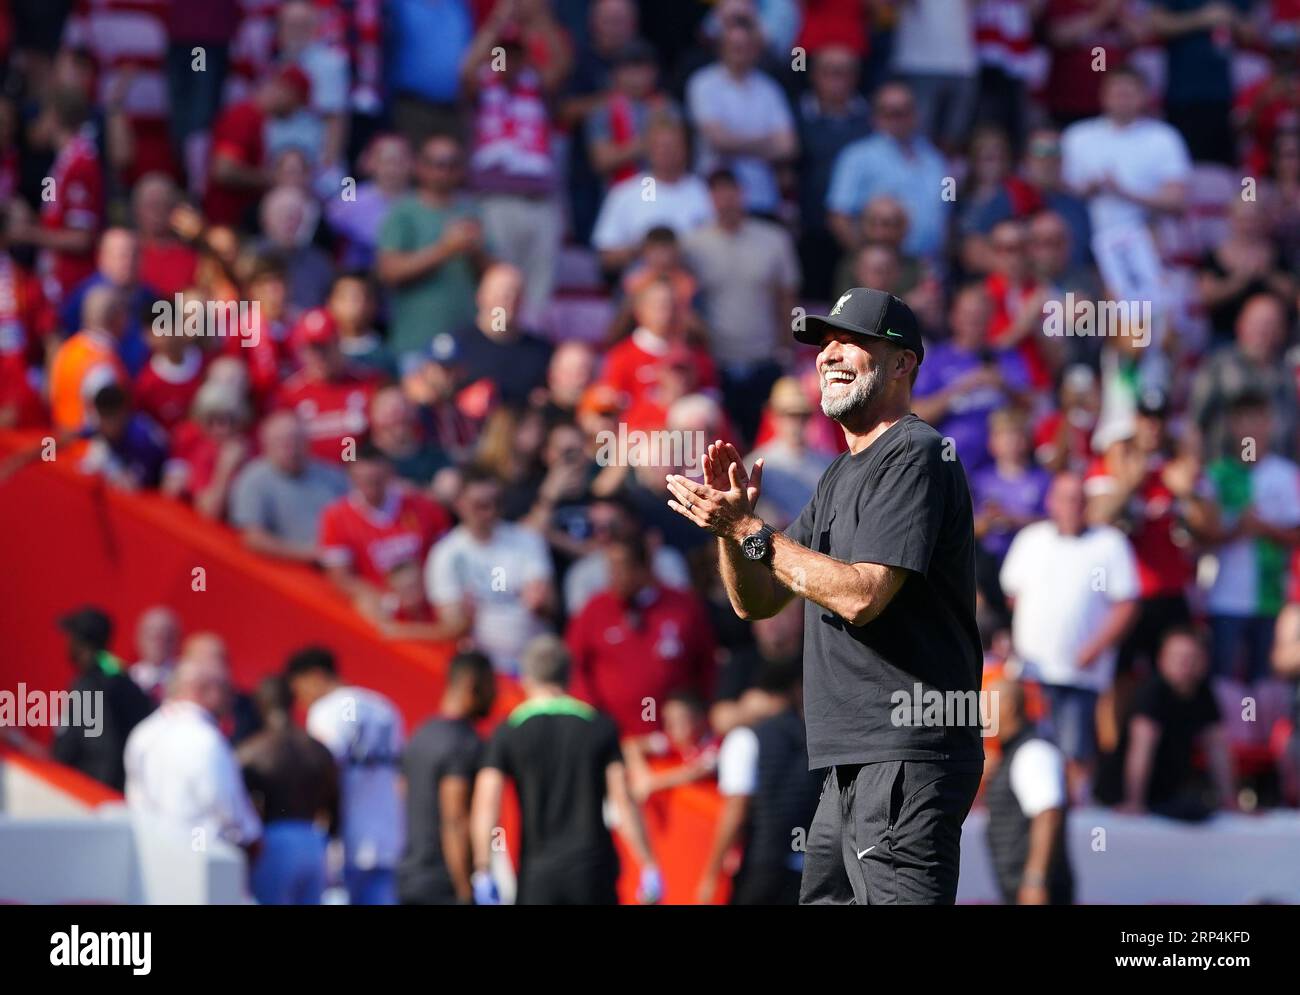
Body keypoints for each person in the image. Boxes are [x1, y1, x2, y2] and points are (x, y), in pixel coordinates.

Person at [664, 287, 985, 905]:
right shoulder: (841, 471)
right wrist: (734, 530)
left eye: (853, 341)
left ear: (902, 364)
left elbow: (862, 595)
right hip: (854, 754)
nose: (830, 354)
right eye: (823, 343)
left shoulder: (915, 454)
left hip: (903, 750)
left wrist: (751, 532)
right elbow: (755, 604)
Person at [469, 634, 662, 905]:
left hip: (537, 875)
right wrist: (648, 863)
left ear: (526, 677)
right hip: (593, 873)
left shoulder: (508, 732)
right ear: (569, 675)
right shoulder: (600, 727)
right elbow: (624, 800)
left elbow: (487, 803)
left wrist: (482, 868)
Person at [999, 471, 1140, 800]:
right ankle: (1028, 810)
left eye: (1079, 499)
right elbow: (1012, 595)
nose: (1072, 505)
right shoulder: (1031, 540)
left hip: (1082, 672)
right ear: (1051, 502)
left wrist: (1096, 647)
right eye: (1065, 498)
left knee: (1076, 749)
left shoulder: (1109, 544)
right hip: (1031, 670)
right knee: (1028, 745)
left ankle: (1076, 812)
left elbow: (1127, 604)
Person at [682, 169, 800, 443]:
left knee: (769, 440)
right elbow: (684, 301)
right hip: (716, 361)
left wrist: (786, 347)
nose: (725, 200)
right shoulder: (693, 245)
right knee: (721, 443)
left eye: (731, 192)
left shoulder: (774, 239)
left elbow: (787, 299)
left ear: (742, 194)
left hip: (766, 358)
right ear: (709, 199)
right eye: (717, 194)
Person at [697, 655, 821, 905]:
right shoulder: (816, 740)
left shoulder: (744, 738)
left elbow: (736, 810)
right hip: (814, 867)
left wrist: (711, 873)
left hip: (762, 868)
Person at [285, 647, 405, 906]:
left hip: (346, 842)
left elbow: (323, 771)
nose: (300, 701)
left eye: (299, 690)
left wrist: (323, 829)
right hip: (388, 838)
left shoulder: (327, 710)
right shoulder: (385, 707)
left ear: (315, 676)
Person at [566, 533, 716, 737]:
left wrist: (699, 714)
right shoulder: (594, 610)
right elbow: (574, 666)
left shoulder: (683, 606)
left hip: (676, 740)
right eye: (610, 567)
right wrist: (592, 717)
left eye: (621, 568)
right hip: (613, 739)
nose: (613, 575)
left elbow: (707, 665)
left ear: (644, 568)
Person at [123, 634, 262, 851]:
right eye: (225, 688)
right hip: (200, 863)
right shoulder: (206, 740)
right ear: (204, 690)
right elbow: (233, 819)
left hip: (150, 859)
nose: (231, 697)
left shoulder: (143, 733)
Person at [424, 467, 557, 675]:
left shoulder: (527, 539)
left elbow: (549, 605)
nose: (490, 511)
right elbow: (450, 625)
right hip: (485, 668)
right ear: (460, 505)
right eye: (480, 505)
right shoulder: (445, 555)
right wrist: (465, 619)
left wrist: (541, 603)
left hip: (535, 660)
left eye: (497, 503)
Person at [398, 650, 498, 905]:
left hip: (408, 877)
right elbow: (454, 819)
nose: (494, 696)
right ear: (471, 685)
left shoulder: (420, 734)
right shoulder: (464, 742)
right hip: (443, 884)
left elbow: (401, 795)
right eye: (490, 686)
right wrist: (465, 890)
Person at [375, 133, 486, 359]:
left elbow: (494, 276)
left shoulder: (472, 210)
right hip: (415, 343)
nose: (444, 172)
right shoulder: (403, 212)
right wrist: (446, 249)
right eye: (437, 164)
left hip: (466, 344)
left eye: (452, 164)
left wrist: (475, 251)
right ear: (420, 167)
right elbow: (388, 272)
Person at [684, 6, 796, 217]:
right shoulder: (703, 83)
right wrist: (765, 144)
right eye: (734, 46)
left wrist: (736, 144)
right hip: (714, 200)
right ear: (721, 48)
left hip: (762, 196)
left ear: (756, 49)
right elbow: (718, 140)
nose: (740, 52)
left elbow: (788, 147)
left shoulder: (769, 89)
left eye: (746, 47)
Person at [236, 675, 339, 905]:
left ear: (260, 704)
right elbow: (335, 803)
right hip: (313, 842)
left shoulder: (252, 751)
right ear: (293, 701)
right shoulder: (318, 749)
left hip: (272, 842)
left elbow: (237, 805)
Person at [1117, 628, 1237, 819]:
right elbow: (1141, 750)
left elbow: (1218, 751)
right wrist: (1134, 801)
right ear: (1161, 660)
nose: (1185, 664)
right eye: (1177, 657)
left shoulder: (1204, 693)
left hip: (1172, 794)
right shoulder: (1151, 694)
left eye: (1191, 657)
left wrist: (1230, 801)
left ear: (1204, 661)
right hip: (1128, 795)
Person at [318, 441, 451, 611]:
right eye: (364, 481)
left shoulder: (424, 507)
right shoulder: (336, 517)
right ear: (351, 478)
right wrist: (386, 600)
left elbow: (447, 559)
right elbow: (341, 577)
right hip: (380, 606)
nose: (371, 488)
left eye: (377, 480)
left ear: (390, 474)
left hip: (431, 599)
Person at [826, 82, 950, 261]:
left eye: (903, 111)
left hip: (929, 265)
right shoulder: (857, 156)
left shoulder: (935, 159)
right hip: (881, 268)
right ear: (875, 116)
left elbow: (944, 214)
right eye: (889, 112)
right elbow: (839, 216)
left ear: (915, 114)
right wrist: (866, 260)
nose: (897, 118)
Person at [984, 676, 1075, 905]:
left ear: (1008, 707)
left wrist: (1035, 880)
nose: (980, 712)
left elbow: (1048, 816)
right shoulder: (1012, 754)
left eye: (986, 703)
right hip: (1018, 887)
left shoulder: (1033, 752)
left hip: (1037, 891)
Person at [51, 607, 155, 792]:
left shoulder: (90, 685)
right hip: (128, 791)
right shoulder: (125, 679)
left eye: (70, 637)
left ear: (79, 643)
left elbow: (99, 750)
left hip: (95, 797)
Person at [228, 411, 350, 563]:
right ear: (265, 444)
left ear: (306, 441)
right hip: (291, 572)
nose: (289, 447)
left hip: (342, 562)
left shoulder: (331, 475)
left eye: (295, 439)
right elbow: (253, 539)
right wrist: (311, 554)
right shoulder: (253, 480)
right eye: (280, 441)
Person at [129, 606, 182, 704]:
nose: (158, 641)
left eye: (166, 634)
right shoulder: (129, 679)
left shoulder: (187, 680)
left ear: (177, 639)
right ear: (138, 638)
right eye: (150, 635)